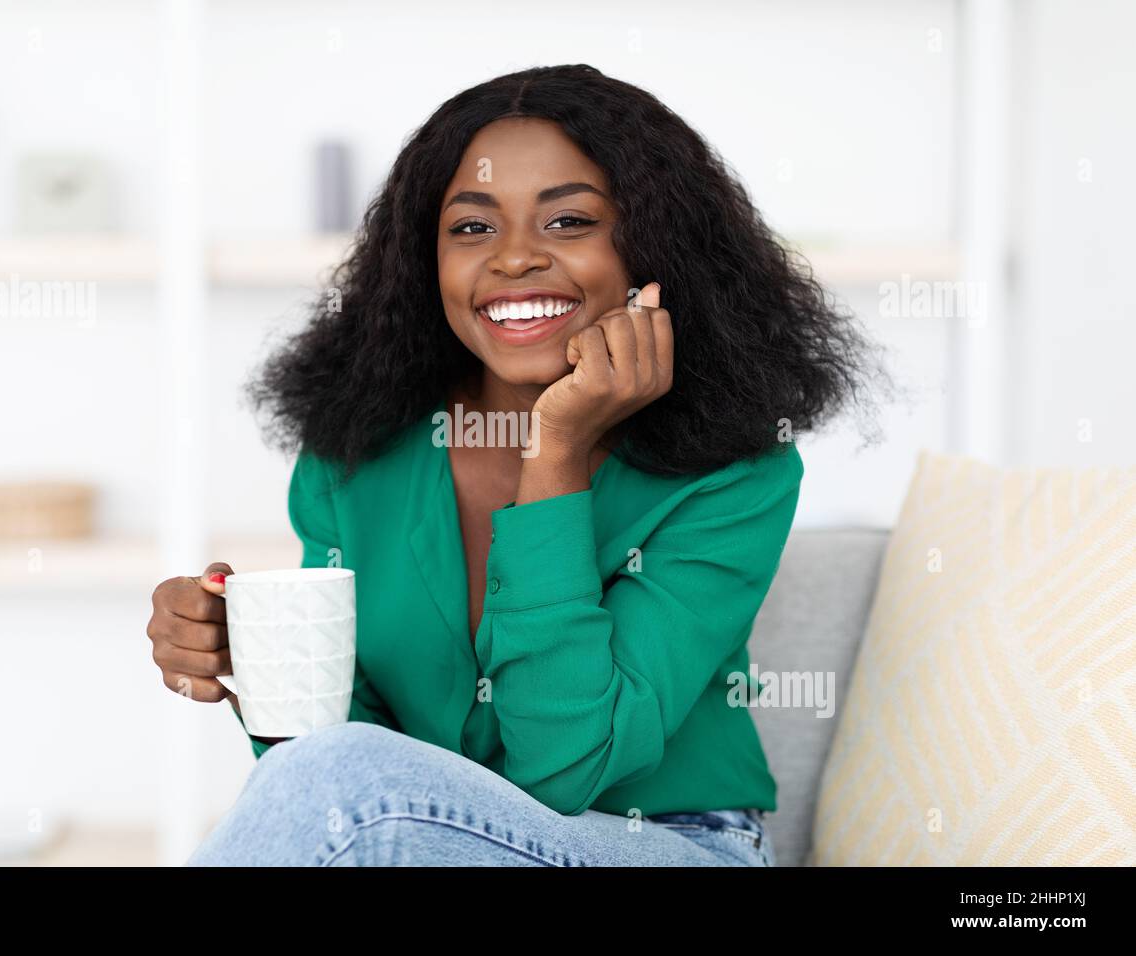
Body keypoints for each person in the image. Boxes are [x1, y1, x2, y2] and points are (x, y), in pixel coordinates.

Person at [147, 64, 887, 866]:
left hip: (672, 844)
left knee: (339, 781)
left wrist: (555, 452)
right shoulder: (356, 448)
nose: (513, 260)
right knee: (327, 774)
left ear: (654, 246)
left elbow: (566, 766)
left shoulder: (736, 472)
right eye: (472, 228)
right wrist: (250, 660)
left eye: (568, 222)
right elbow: (323, 760)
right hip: (423, 839)